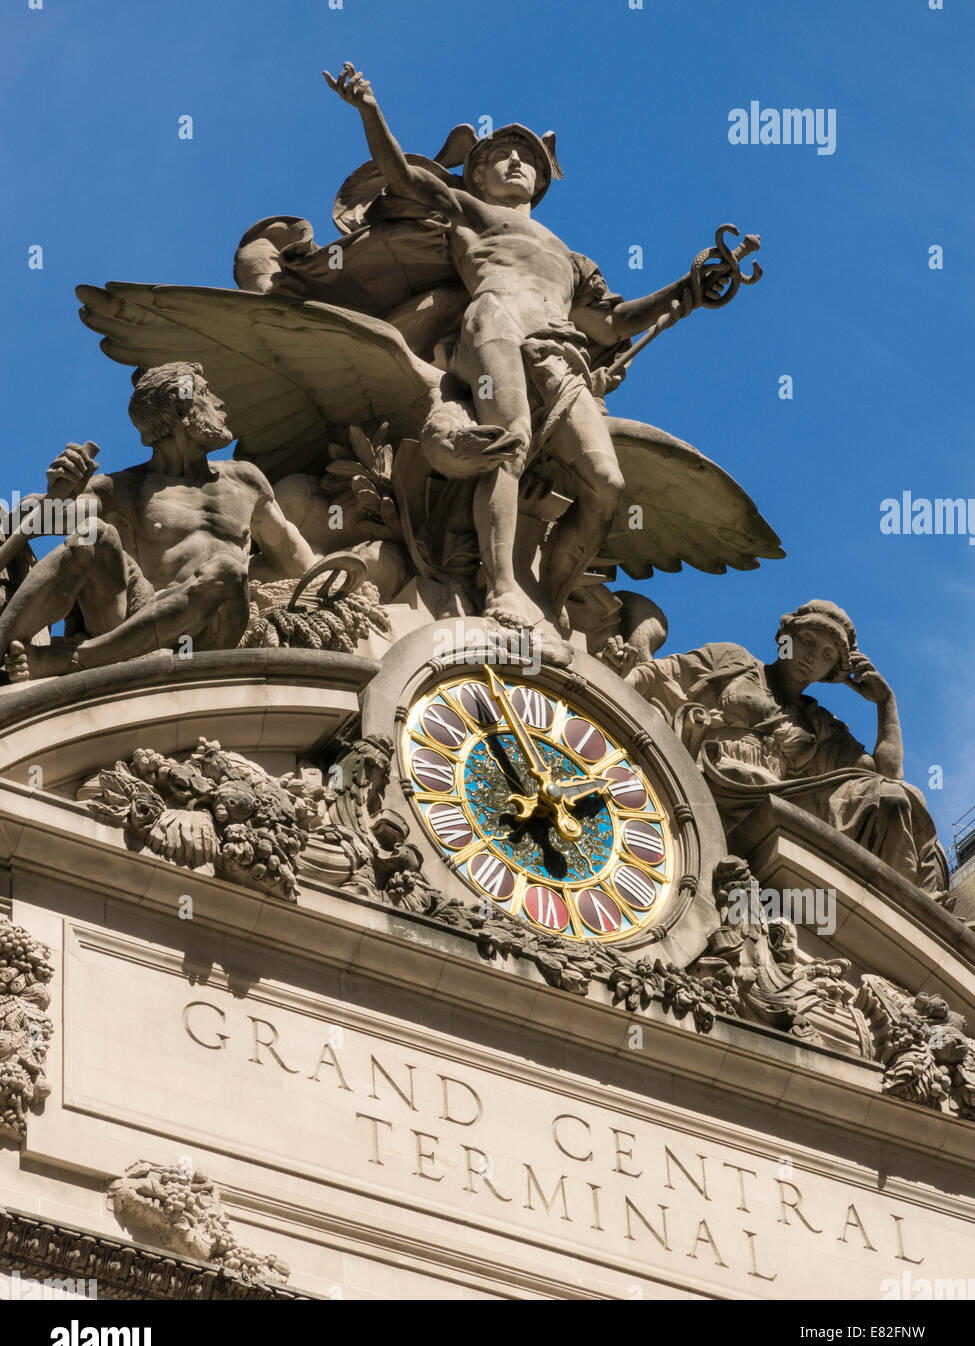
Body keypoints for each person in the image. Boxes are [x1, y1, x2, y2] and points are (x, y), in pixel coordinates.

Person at [324, 62, 731, 629]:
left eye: (529, 161)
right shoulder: (471, 212)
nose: (517, 163)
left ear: (542, 182)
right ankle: (502, 588)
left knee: (606, 484)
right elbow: (405, 178)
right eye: (501, 157)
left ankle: (550, 599)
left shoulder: (570, 257)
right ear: (477, 175)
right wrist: (370, 110)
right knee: (508, 444)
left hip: (560, 350)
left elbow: (612, 324)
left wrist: (684, 290)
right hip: (495, 323)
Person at [0, 361, 317, 679]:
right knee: (92, 534)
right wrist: (59, 491)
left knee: (228, 569)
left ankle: (76, 658)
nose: (220, 403)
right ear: (182, 409)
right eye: (207, 393)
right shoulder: (124, 488)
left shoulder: (246, 481)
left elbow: (294, 557)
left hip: (211, 635)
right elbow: (28, 521)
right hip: (129, 625)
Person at [628, 599, 947, 894]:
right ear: (786, 637)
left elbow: (889, 776)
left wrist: (885, 703)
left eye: (827, 655)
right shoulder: (731, 660)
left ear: (833, 671)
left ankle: (892, 910)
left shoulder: (821, 724)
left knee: (896, 798)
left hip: (779, 804)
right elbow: (653, 676)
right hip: (712, 780)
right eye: (808, 641)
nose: (811, 658)